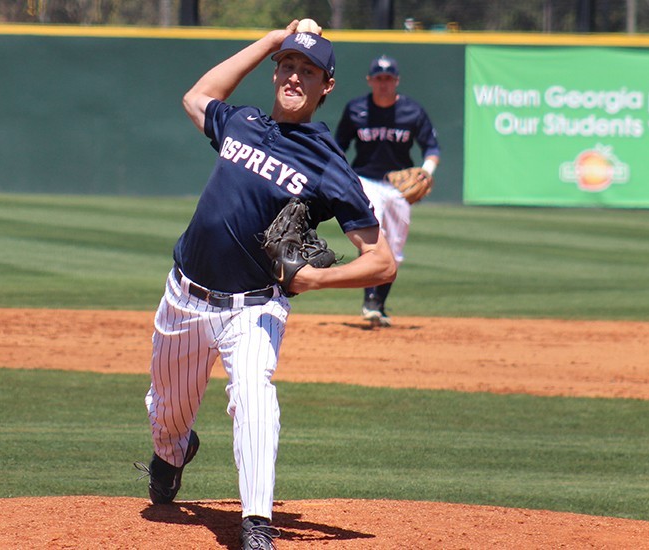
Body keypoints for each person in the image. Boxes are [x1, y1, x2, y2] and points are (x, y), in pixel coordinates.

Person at [137, 20, 397, 550]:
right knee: (167, 417)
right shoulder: (243, 122)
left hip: (254, 307)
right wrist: (273, 39)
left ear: (327, 86)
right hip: (184, 297)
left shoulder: (327, 162)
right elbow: (196, 97)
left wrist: (317, 279)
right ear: (276, 70)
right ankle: (172, 454)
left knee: (255, 399)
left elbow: (383, 262)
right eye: (288, 66)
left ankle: (257, 524)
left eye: (309, 71)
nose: (295, 77)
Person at [334, 55, 440, 327]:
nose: (383, 84)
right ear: (370, 81)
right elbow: (338, 146)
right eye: (378, 78)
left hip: (399, 188)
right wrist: (343, 177)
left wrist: (426, 171)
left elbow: (432, 147)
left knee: (395, 246)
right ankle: (370, 298)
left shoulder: (412, 111)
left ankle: (378, 304)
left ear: (397, 81)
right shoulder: (356, 109)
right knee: (373, 235)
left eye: (388, 79)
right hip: (365, 181)